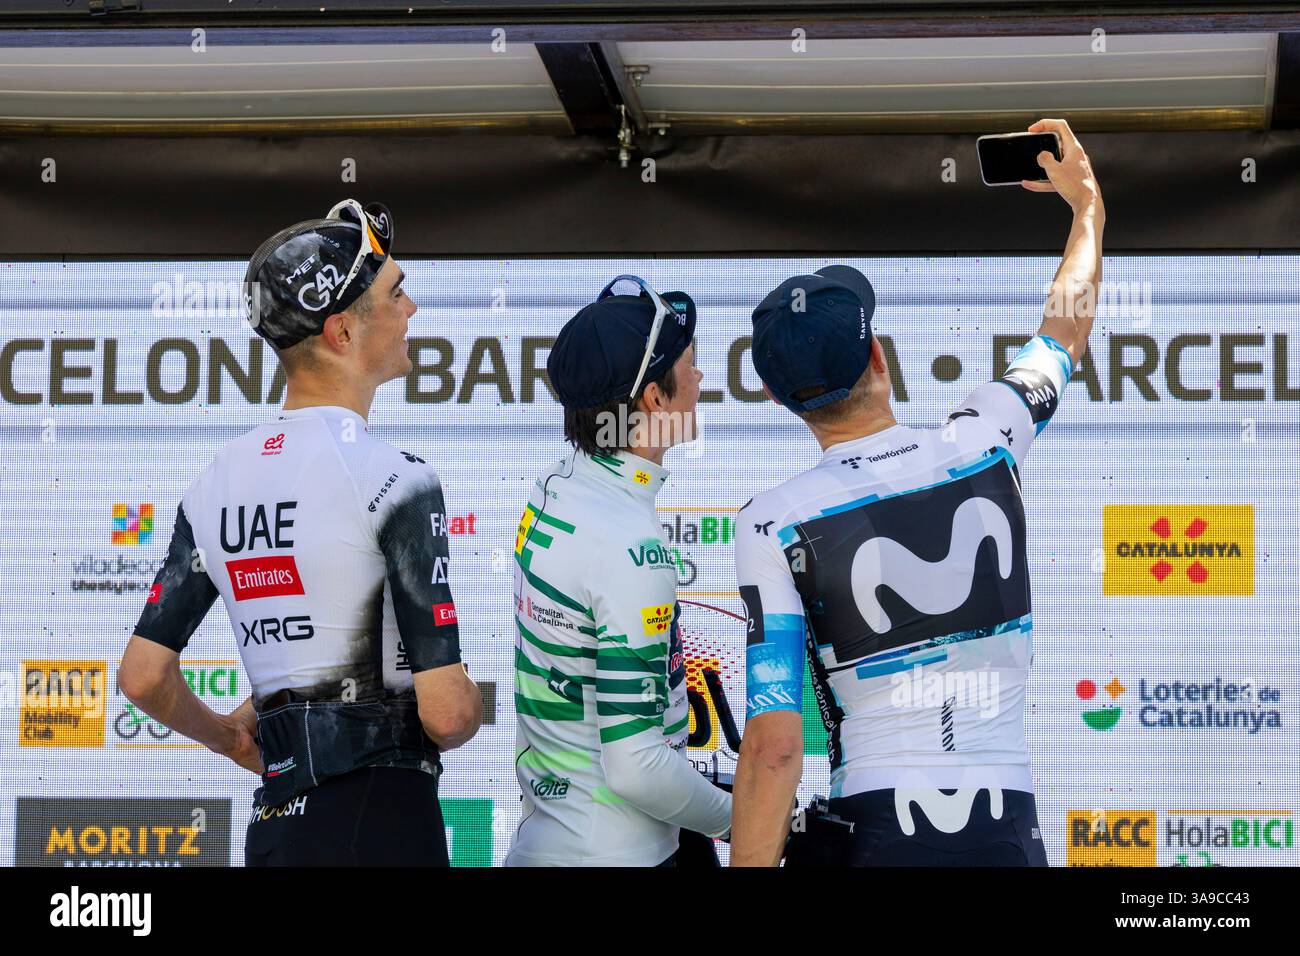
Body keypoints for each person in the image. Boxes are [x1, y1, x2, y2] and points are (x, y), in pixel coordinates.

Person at [729, 119, 1104, 866]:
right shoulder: (985, 437)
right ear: (879, 355)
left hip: (874, 829)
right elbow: (1065, 331)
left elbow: (774, 751)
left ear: (777, 398)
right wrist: (1087, 209)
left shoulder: (770, 525)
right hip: (1006, 829)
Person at [117, 199, 482, 866]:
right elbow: (448, 716)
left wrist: (231, 739)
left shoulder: (212, 483)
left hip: (277, 827)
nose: (412, 310)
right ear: (342, 331)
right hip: (384, 821)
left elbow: (143, 678)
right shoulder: (397, 479)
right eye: (396, 292)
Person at [506, 275, 732, 866]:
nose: (702, 379)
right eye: (691, 364)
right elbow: (636, 767)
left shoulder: (559, 485)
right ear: (656, 399)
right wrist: (748, 818)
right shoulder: (632, 545)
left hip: (554, 841)